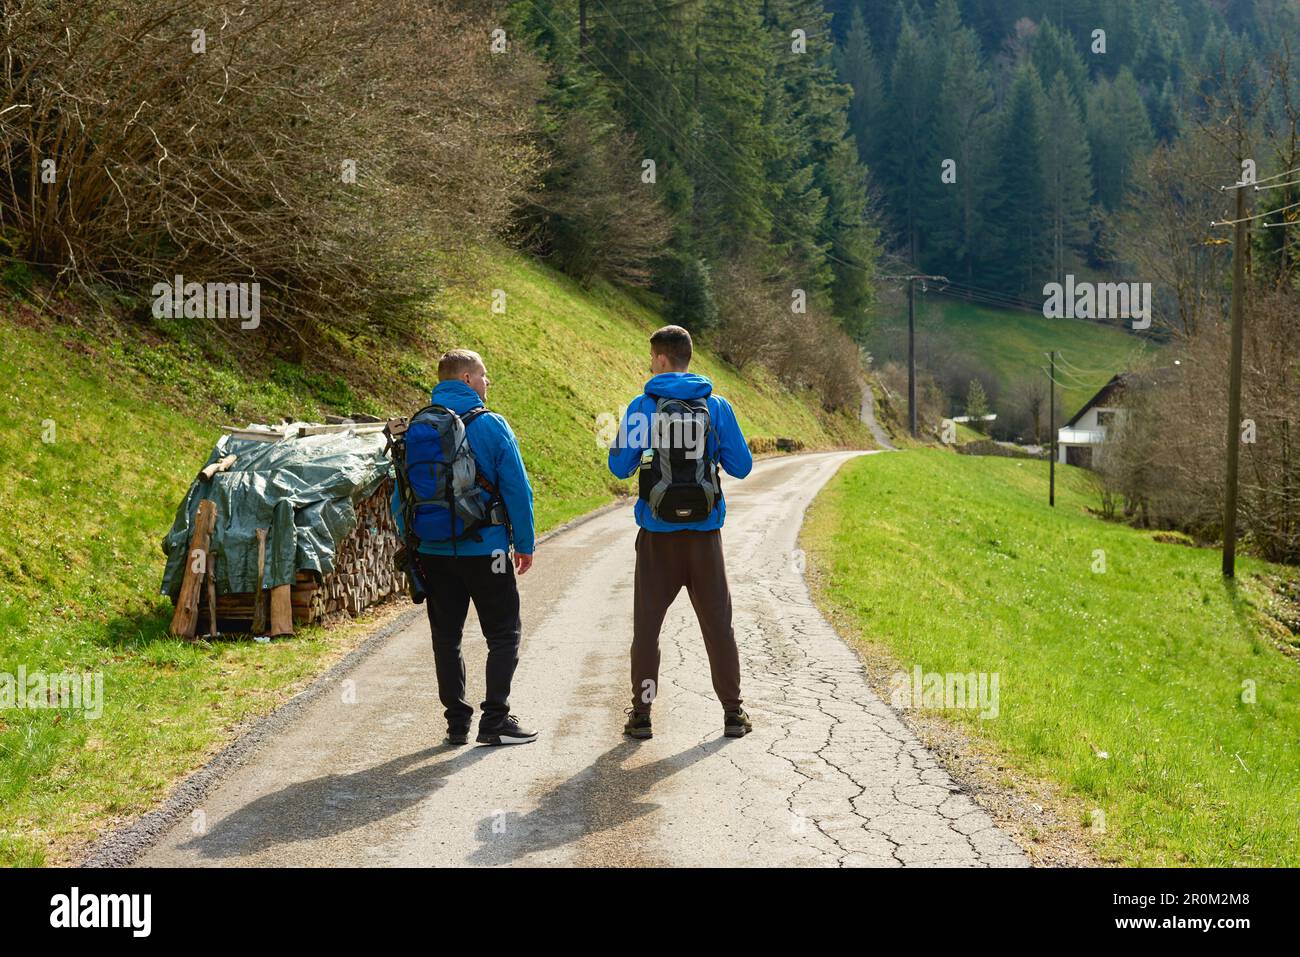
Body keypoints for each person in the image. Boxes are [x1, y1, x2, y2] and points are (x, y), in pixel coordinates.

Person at [607, 325, 754, 740]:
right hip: (705, 535)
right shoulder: (716, 405)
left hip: (657, 535)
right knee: (718, 626)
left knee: (648, 627)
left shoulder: (643, 406)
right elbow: (742, 467)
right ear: (688, 357)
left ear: (660, 359)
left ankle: (641, 715)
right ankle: (732, 713)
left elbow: (619, 467)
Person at [391, 349, 537, 747]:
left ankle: (457, 724)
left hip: (435, 554)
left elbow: (398, 498)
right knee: (503, 634)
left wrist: (415, 545)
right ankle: (495, 721)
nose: (488, 383)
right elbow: (517, 490)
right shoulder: (491, 425)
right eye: (484, 375)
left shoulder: (417, 428)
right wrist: (523, 543)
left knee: (447, 638)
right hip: (486, 551)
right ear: (468, 379)